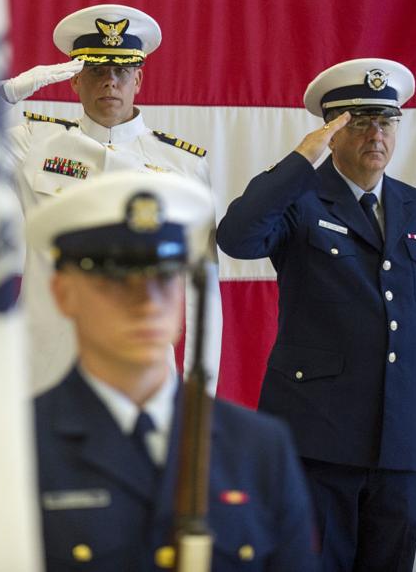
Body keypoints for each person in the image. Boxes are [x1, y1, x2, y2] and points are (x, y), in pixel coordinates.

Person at [216, 58, 416, 571]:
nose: (375, 134)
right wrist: (300, 160)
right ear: (331, 133)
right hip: (316, 441)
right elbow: (237, 237)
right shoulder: (299, 201)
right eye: (359, 123)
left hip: (398, 441)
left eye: (386, 121)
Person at [27, 170, 316, 572]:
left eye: (163, 276)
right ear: (63, 293)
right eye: (117, 278)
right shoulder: (18, 448)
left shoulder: (260, 449)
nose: (147, 301)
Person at [2, 5, 220, 393]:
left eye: (121, 71)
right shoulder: (33, 143)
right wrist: (8, 92)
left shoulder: (183, 165)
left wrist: (198, 393)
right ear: (74, 80)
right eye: (96, 70)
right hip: (46, 366)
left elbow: (203, 286)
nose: (110, 82)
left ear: (139, 79)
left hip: (139, 370)